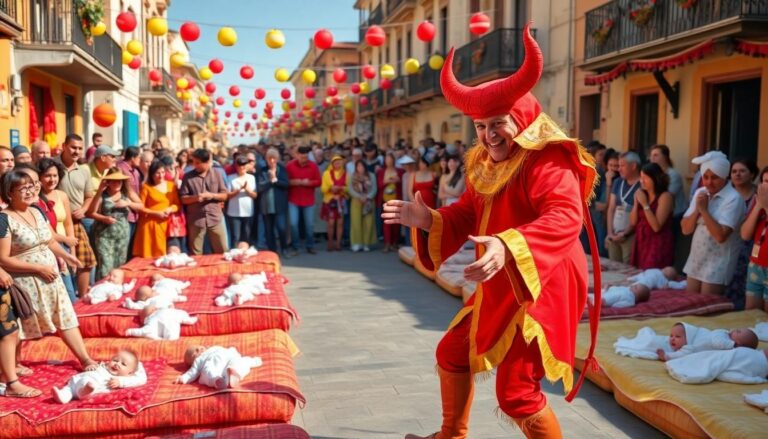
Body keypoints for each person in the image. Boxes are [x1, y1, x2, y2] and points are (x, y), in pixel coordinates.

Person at [385, 26, 600, 437]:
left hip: (544, 280)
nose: (489, 135)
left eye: (498, 123)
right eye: (481, 126)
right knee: (452, 352)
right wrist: (429, 220)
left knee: (516, 394)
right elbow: (469, 211)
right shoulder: (483, 161)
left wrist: (507, 244)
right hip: (502, 274)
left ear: (520, 118)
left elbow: (565, 215)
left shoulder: (547, 158)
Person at [0, 170, 96, 387]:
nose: (30, 191)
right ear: (10, 193)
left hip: (51, 278)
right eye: (23, 188)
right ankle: (12, 365)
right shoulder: (4, 219)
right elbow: (3, 259)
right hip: (24, 282)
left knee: (66, 316)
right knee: (20, 327)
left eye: (31, 186)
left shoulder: (37, 210)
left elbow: (49, 241)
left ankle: (85, 358)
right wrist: (38, 268)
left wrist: (67, 257)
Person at [682, 151, 745, 295]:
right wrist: (697, 210)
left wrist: (704, 211)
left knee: (708, 305)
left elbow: (721, 236)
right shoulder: (700, 193)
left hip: (718, 263)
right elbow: (685, 229)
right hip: (696, 259)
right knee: (691, 302)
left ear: (724, 176)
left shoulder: (733, 199)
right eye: (705, 177)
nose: (709, 182)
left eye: (714, 177)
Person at [55, 134, 96, 296]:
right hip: (56, 223)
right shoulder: (53, 166)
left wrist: (84, 209)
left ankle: (82, 298)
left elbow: (89, 196)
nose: (76, 151)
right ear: (64, 146)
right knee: (62, 263)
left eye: (80, 148)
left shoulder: (84, 171)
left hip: (77, 222)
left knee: (86, 261)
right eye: (73, 147)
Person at [38, 158, 79, 303]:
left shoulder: (62, 195)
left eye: (55, 175)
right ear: (39, 177)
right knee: (64, 291)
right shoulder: (35, 199)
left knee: (70, 286)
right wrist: (65, 241)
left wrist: (72, 252)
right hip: (49, 248)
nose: (52, 179)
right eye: (47, 176)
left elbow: (68, 224)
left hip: (65, 246)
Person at [52, 348, 145, 404]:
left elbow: (141, 379)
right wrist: (90, 367)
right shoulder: (103, 365)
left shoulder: (123, 379)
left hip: (91, 388)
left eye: (123, 364)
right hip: (77, 381)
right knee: (69, 389)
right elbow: (93, 367)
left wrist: (120, 382)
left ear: (130, 373)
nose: (117, 364)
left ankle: (84, 391)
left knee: (90, 385)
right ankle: (63, 396)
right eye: (115, 360)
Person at [180, 149, 229, 255]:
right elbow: (183, 199)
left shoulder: (217, 174)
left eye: (198, 163)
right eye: (193, 162)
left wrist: (212, 195)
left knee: (223, 251)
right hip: (196, 220)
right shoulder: (187, 177)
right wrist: (196, 198)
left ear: (207, 162)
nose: (195, 165)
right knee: (196, 254)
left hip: (215, 218)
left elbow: (225, 195)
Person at [726, 158, 759, 309]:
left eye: (742, 171)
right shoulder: (726, 194)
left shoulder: (758, 195)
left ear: (752, 174)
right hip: (728, 244)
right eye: (734, 171)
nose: (737, 174)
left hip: (749, 247)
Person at [87, 169, 132, 279]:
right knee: (105, 265)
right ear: (108, 182)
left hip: (122, 235)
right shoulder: (102, 195)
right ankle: (103, 286)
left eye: (119, 181)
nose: (117, 183)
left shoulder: (126, 194)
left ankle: (116, 285)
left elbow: (141, 206)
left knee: (120, 263)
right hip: (104, 235)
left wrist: (128, 203)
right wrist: (104, 218)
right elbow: (90, 212)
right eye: (113, 181)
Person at [629, 163, 674, 269]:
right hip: (641, 241)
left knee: (652, 273)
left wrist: (645, 204)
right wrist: (636, 203)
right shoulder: (643, 195)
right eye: (641, 177)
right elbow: (633, 222)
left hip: (657, 243)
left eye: (645, 178)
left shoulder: (665, 196)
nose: (642, 181)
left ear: (655, 179)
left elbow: (656, 227)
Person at [133, 160, 181, 258]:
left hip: (167, 224)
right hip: (150, 225)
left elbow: (177, 204)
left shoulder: (171, 186)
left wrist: (170, 209)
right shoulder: (146, 187)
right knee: (150, 255)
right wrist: (155, 213)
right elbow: (140, 208)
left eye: (163, 172)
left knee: (167, 255)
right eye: (157, 173)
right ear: (152, 174)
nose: (161, 175)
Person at [740, 166, 768, 312]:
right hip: (756, 265)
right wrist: (758, 206)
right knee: (751, 312)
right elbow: (745, 234)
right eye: (765, 181)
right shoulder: (759, 204)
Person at [605, 151, 641, 264]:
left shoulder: (642, 184)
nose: (619, 169)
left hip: (630, 236)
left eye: (622, 166)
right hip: (614, 234)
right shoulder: (618, 182)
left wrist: (625, 233)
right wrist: (610, 233)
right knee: (614, 266)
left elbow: (640, 214)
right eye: (619, 166)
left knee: (628, 267)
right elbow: (611, 208)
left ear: (633, 166)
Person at [589, 266, 685, 308]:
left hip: (607, 299)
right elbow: (643, 274)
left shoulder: (630, 299)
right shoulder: (654, 270)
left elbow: (622, 304)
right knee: (603, 293)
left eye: (669, 272)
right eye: (667, 268)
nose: (666, 270)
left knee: (610, 297)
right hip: (607, 293)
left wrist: (613, 305)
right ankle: (594, 297)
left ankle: (598, 301)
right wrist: (608, 288)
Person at [174, 345, 263, 389]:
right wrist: (184, 378)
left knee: (239, 360)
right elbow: (192, 372)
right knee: (208, 371)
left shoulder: (211, 349)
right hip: (220, 360)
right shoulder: (199, 360)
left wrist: (183, 378)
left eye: (198, 347)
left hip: (223, 357)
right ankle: (219, 379)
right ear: (192, 362)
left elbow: (192, 373)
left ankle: (220, 378)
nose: (198, 349)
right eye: (194, 352)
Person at [286, 146, 322, 256]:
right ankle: (295, 246)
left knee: (309, 225)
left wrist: (309, 183)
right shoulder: (289, 166)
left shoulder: (313, 166)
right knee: (293, 224)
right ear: (297, 155)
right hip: (293, 199)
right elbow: (284, 181)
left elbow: (319, 182)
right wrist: (293, 182)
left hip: (308, 200)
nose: (304, 159)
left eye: (306, 157)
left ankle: (310, 246)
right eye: (302, 157)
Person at [656, 323, 758, 361]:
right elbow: (716, 341)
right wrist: (732, 345)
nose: (735, 330)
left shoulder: (727, 343)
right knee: (679, 332)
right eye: (738, 329)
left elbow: (718, 344)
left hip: (695, 346)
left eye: (738, 332)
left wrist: (733, 345)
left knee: (684, 353)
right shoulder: (723, 334)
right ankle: (671, 340)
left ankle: (667, 356)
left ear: (739, 343)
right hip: (696, 337)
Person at [257, 147, 290, 255]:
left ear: (277, 158)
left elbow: (286, 184)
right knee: (268, 230)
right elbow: (259, 187)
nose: (271, 161)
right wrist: (270, 181)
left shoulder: (282, 169)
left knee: (281, 228)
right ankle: (273, 251)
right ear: (266, 159)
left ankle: (284, 248)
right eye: (269, 158)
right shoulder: (262, 170)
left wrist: (275, 180)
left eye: (274, 158)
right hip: (266, 205)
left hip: (279, 204)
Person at [226, 156, 258, 246]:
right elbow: (227, 195)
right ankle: (235, 252)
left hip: (248, 212)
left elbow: (255, 195)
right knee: (235, 237)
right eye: (239, 165)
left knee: (246, 237)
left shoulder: (251, 178)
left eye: (244, 165)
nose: (241, 167)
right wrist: (237, 191)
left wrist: (247, 190)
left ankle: (245, 252)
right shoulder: (230, 178)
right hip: (234, 213)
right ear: (236, 166)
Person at [377, 153, 404, 253]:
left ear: (393, 160)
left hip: (396, 200)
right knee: (387, 222)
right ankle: (387, 243)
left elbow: (402, 183)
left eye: (390, 159)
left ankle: (395, 242)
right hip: (385, 200)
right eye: (386, 159)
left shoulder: (400, 171)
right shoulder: (381, 171)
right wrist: (387, 181)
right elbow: (379, 184)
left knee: (396, 222)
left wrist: (398, 180)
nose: (388, 161)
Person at [348, 159, 377, 252]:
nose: (360, 168)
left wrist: (367, 197)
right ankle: (357, 243)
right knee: (356, 222)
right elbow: (350, 189)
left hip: (368, 202)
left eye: (362, 166)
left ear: (365, 166)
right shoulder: (352, 176)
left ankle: (366, 243)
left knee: (368, 222)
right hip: (356, 201)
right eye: (358, 166)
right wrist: (359, 196)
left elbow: (374, 189)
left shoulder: (371, 175)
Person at [320, 155, 348, 251]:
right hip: (330, 201)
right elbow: (323, 188)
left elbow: (348, 188)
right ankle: (330, 242)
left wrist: (341, 188)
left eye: (339, 162)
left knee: (340, 223)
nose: (337, 164)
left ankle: (338, 243)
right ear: (332, 164)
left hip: (341, 200)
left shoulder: (346, 174)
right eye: (335, 162)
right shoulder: (326, 174)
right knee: (331, 223)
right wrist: (330, 188)